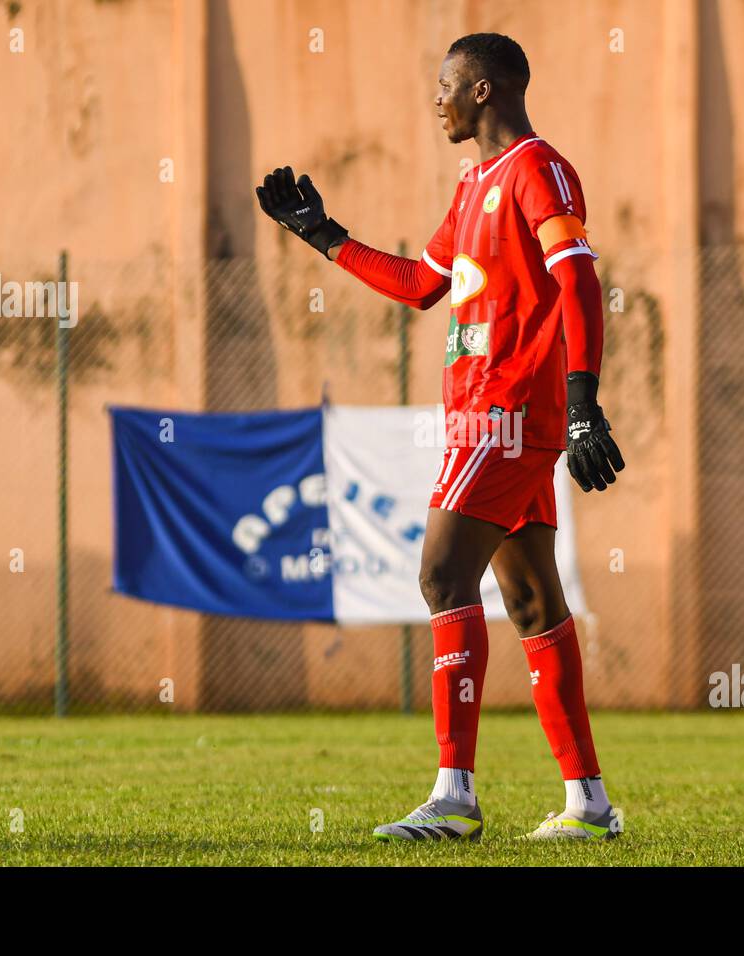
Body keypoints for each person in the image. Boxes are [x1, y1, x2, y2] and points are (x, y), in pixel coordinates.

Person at [256, 32, 624, 842]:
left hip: (505, 413)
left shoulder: (535, 167)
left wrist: (583, 400)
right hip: (486, 415)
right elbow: (423, 285)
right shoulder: (474, 184)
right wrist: (325, 235)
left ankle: (454, 796)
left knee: (438, 576)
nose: (437, 100)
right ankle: (589, 804)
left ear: (484, 89)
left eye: (447, 85)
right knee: (531, 603)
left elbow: (579, 279)